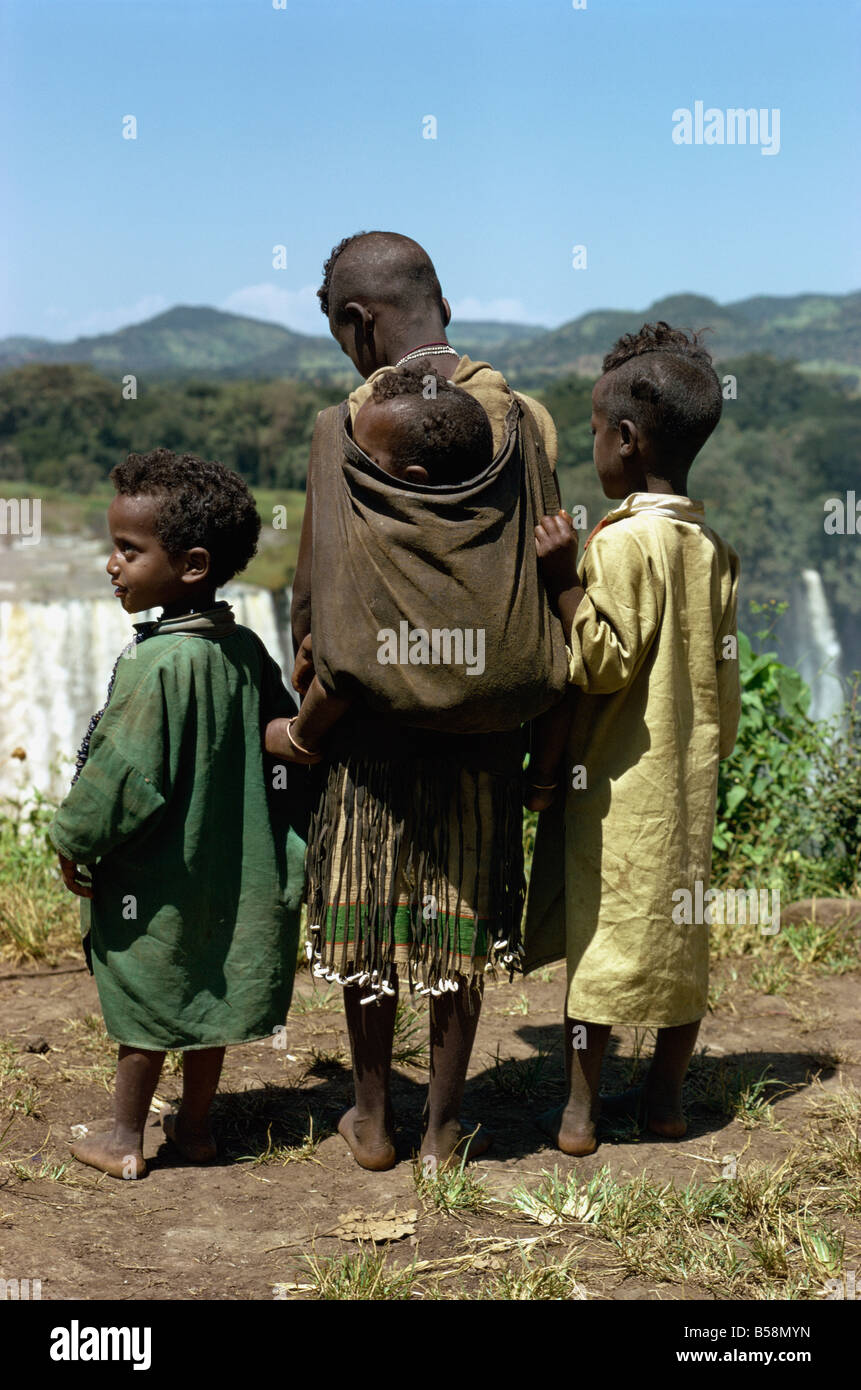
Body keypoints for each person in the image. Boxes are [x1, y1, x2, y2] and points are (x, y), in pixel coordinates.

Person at [289, 231, 567, 1173]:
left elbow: (315, 589)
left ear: (358, 323)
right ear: (440, 301)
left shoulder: (343, 428)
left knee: (367, 925)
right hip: (487, 739)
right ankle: (445, 1130)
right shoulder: (525, 421)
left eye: (339, 332)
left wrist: (307, 709)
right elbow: (544, 572)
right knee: (459, 929)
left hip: (365, 733)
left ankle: (372, 1122)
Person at [49, 450, 304, 1180]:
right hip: (228, 865)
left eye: (129, 550)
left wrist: (73, 837)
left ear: (190, 564)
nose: (111, 565)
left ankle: (124, 1138)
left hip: (158, 872)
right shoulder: (243, 646)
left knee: (149, 996)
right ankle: (195, 1129)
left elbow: (121, 775)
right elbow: (276, 732)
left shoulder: (157, 665)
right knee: (205, 985)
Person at [524, 322, 741, 1156]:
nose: (589, 446)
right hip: (685, 782)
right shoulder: (709, 548)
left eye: (590, 430)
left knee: (604, 942)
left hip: (615, 784)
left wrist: (561, 581)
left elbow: (603, 663)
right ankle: (665, 1104)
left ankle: (578, 1114)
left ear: (624, 438)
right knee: (680, 940)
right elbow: (717, 679)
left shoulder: (619, 543)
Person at [267, 363, 495, 761]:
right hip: (478, 720)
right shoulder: (487, 527)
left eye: (365, 458)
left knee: (345, 650)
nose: (353, 468)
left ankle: (300, 738)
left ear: (413, 478)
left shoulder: (387, 533)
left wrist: (314, 643)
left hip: (383, 718)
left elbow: (346, 656)